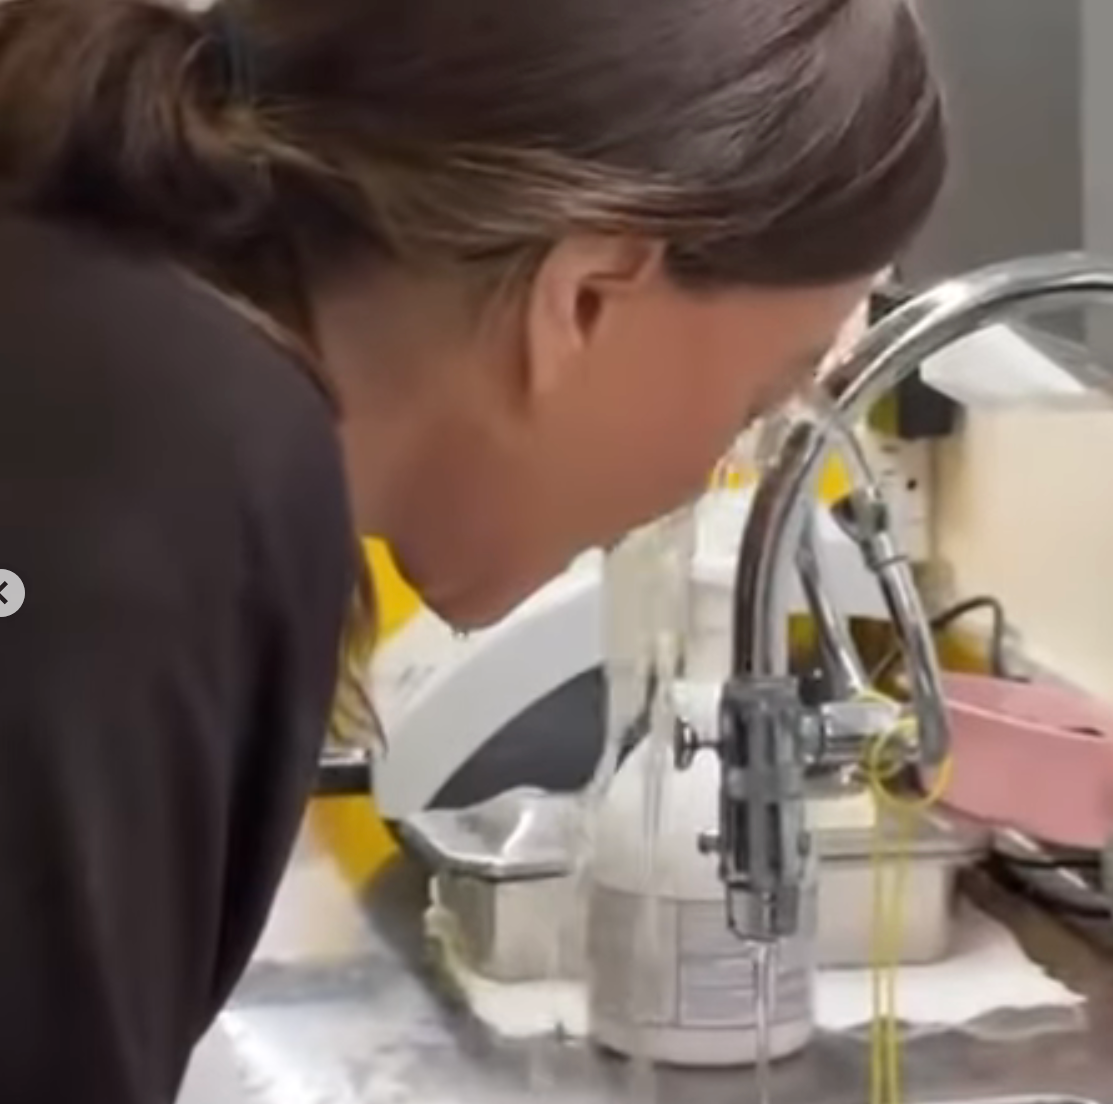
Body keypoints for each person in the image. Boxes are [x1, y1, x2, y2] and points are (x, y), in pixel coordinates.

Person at [0, 0, 944, 1098]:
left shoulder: (117, 355)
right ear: (584, 300)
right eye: (754, 401)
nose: (704, 478)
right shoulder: (174, 476)